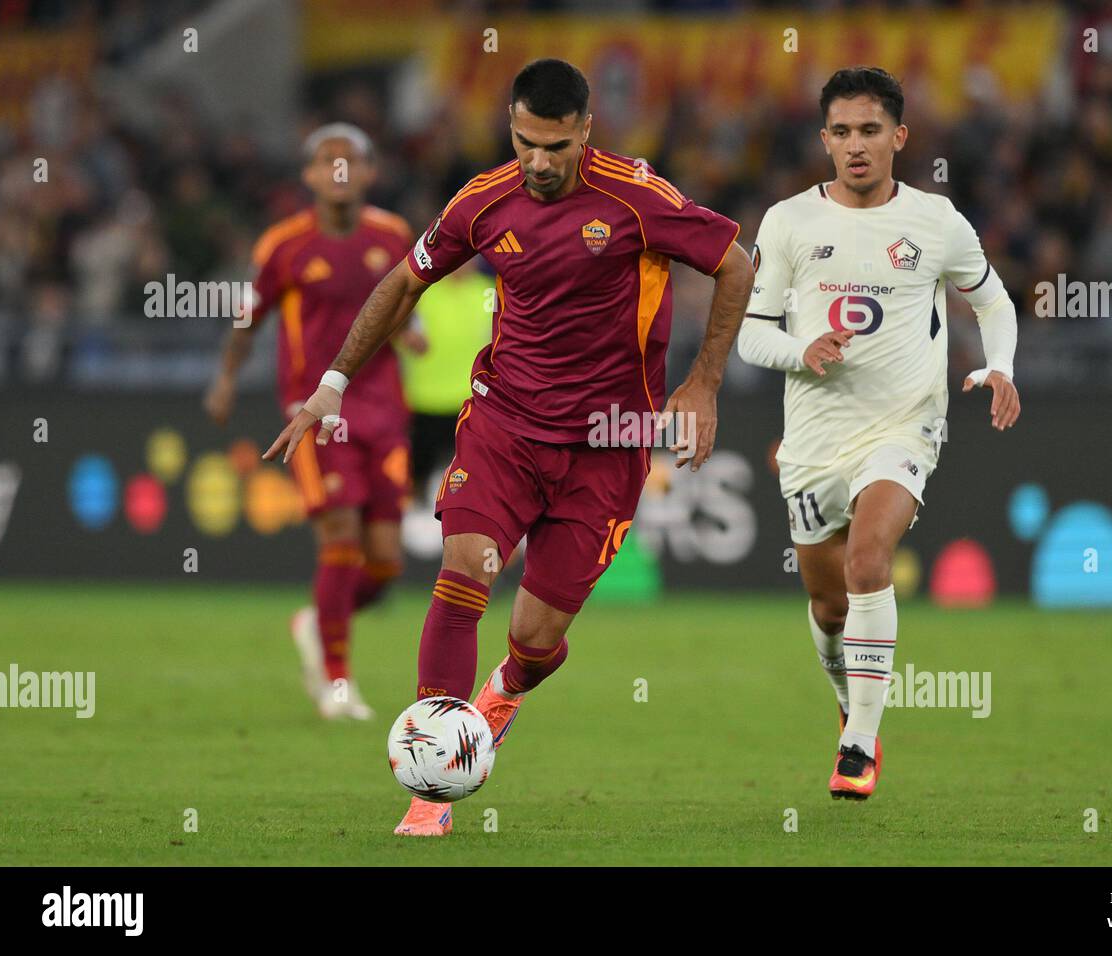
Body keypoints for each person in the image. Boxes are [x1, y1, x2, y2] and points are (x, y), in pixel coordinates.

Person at [263, 59, 754, 836]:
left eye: (556, 146)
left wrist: (703, 383)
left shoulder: (635, 196)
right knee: (465, 571)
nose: (540, 161)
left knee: (535, 637)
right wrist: (331, 383)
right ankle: (432, 785)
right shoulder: (484, 200)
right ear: (511, 128)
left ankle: (506, 691)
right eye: (526, 142)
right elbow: (400, 283)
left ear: (586, 131)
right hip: (504, 425)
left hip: (607, 445)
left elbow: (734, 262)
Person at [737, 67, 1020, 800]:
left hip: (904, 427)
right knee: (830, 608)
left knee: (869, 561)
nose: (856, 146)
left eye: (870, 131)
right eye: (842, 132)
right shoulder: (789, 223)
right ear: (824, 139)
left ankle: (859, 745)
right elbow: (751, 336)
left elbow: (993, 301)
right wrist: (803, 350)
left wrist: (1001, 367)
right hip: (813, 443)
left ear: (899, 137)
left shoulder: (936, 222)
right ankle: (849, 704)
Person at [206, 123, 422, 720]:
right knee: (340, 541)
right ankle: (336, 682)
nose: (341, 172)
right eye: (329, 162)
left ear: (372, 173)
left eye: (352, 161)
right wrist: (226, 377)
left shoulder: (393, 234)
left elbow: (401, 300)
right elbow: (250, 318)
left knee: (384, 563)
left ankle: (316, 622)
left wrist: (413, 331)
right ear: (308, 175)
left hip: (383, 408)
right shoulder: (284, 244)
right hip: (313, 410)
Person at [395, 259, 494, 500]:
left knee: (477, 477)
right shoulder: (423, 292)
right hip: (424, 399)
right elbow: (398, 332)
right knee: (418, 473)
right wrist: (406, 337)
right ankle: (416, 521)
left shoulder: (491, 291)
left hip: (474, 401)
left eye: (470, 256)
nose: (462, 263)